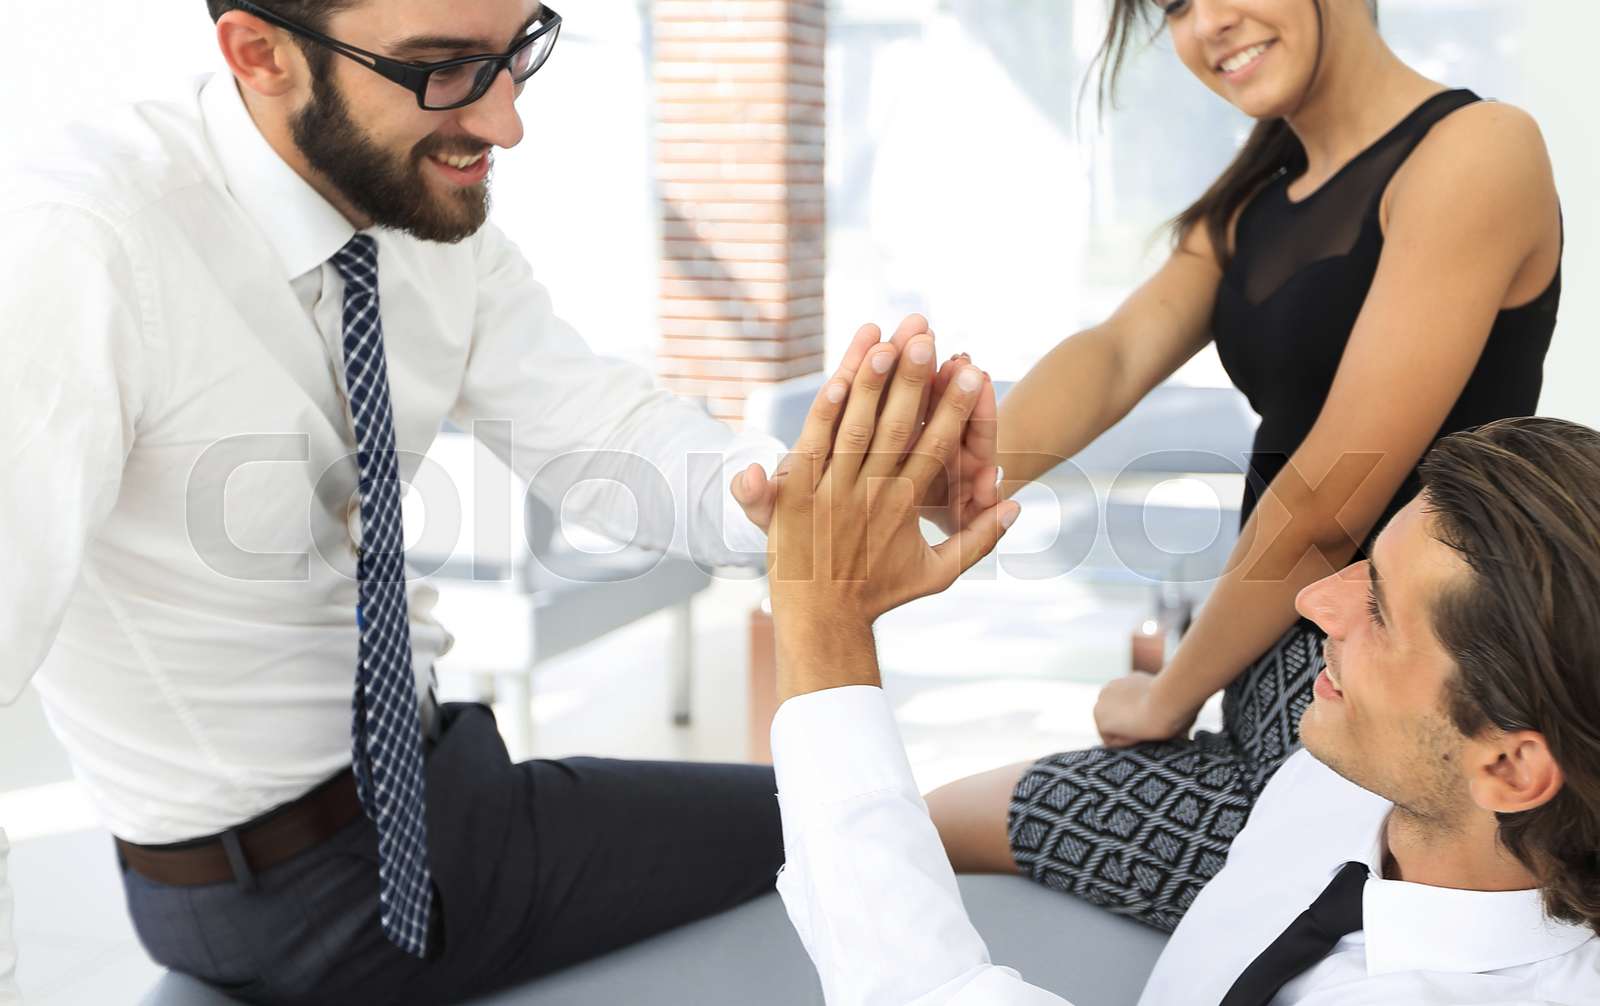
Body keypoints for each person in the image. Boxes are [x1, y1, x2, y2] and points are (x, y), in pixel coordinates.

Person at [0, 2, 999, 1002]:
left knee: (870, 820)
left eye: (515, 50)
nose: (505, 120)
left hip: (446, 792)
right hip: (302, 886)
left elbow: (602, 430)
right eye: (442, 70)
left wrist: (830, 502)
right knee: (869, 829)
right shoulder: (83, 246)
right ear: (260, 53)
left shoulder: (410, 199)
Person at [925, 0, 1565, 932]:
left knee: (930, 825)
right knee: (917, 827)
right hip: (1279, 658)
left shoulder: (1478, 150)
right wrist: (973, 478)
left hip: (1417, 666)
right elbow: (1115, 351)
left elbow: (1328, 502)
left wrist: (1166, 694)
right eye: (1177, 6)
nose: (1208, 22)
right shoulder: (1254, 199)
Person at [764, 345, 1600, 1003]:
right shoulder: (1334, 784)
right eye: (1361, 569)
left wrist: (823, 623)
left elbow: (935, 994)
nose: (1314, 603)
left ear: (1511, 767)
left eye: (1379, 609)